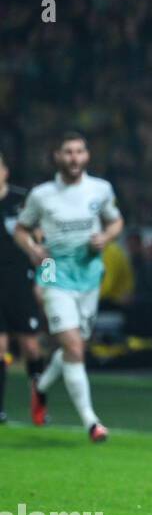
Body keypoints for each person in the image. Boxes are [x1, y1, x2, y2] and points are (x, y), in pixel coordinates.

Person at [13, 133, 123, 441]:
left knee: (76, 347)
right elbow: (21, 229)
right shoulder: (42, 195)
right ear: (57, 156)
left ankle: (41, 386)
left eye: (79, 151)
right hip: (52, 271)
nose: (74, 158)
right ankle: (92, 423)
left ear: (86, 156)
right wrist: (32, 250)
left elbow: (116, 222)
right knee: (74, 347)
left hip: (89, 274)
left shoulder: (101, 190)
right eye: (68, 152)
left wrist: (107, 237)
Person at [0, 150, 45, 423]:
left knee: (31, 347)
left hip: (22, 284)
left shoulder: (23, 201)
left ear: (5, 171)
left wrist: (46, 283)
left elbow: (44, 244)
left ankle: (40, 403)